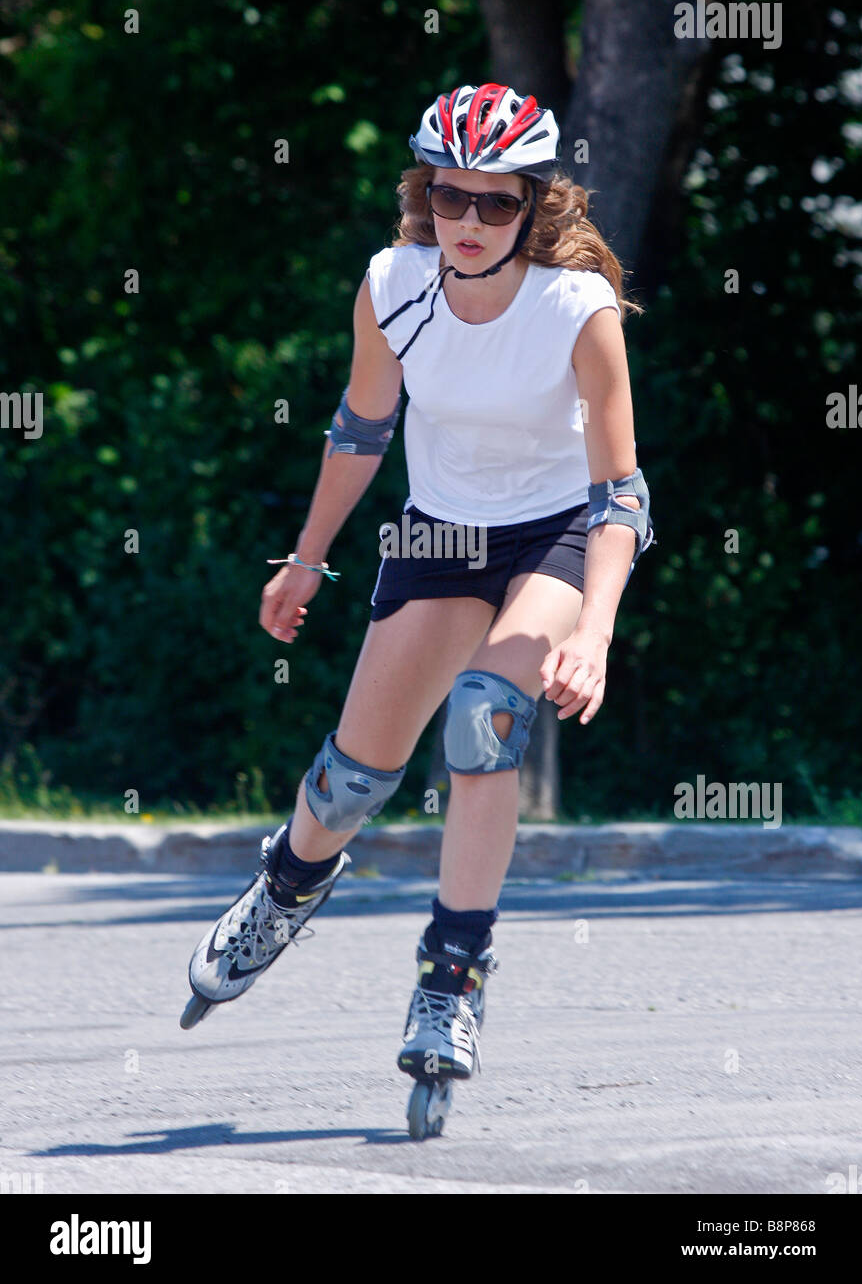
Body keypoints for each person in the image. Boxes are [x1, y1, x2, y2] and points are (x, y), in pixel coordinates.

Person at [180, 82, 655, 1132]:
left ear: (532, 205)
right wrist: (304, 558)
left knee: (483, 718)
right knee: (352, 779)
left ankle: (451, 980)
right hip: (438, 537)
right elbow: (360, 425)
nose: (471, 223)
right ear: (424, 197)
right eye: (451, 199)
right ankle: (283, 890)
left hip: (552, 537)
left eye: (496, 204)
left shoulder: (575, 310)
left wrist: (594, 628)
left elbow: (618, 493)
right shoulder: (391, 285)